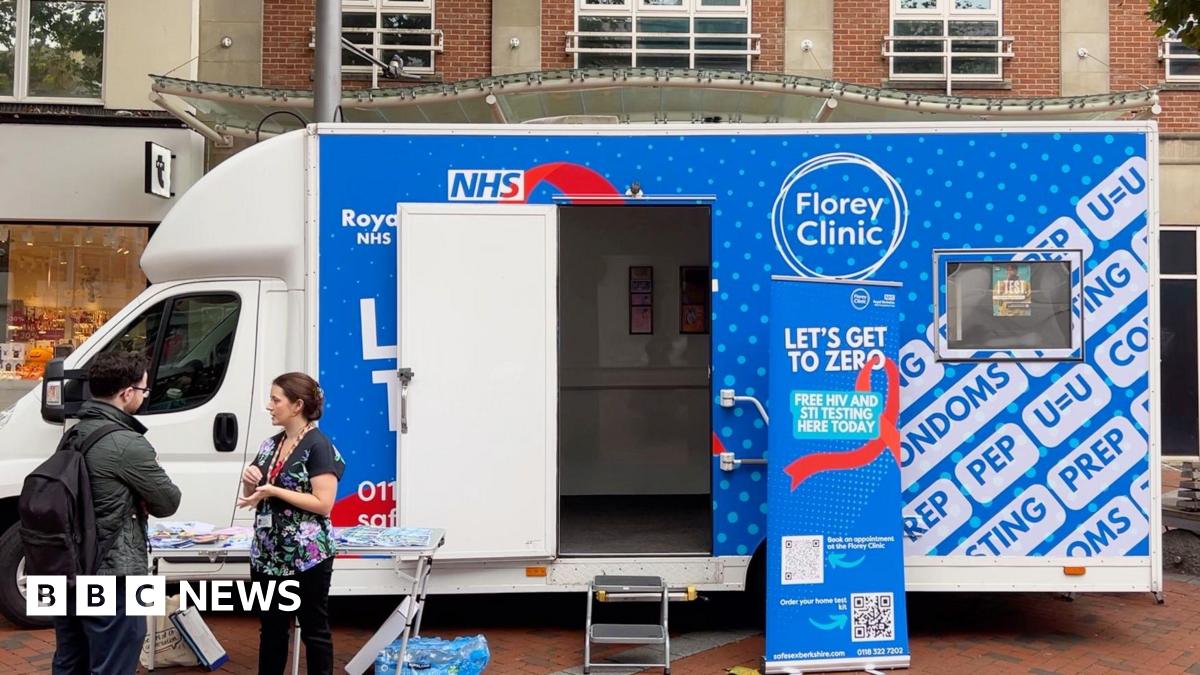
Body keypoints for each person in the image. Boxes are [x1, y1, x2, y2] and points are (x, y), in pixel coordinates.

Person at [53, 351, 182, 675]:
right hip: (115, 575)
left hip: (70, 568)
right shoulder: (126, 443)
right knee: (114, 663)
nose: (144, 396)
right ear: (127, 393)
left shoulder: (73, 434)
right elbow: (168, 501)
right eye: (144, 390)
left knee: (70, 662)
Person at [239, 372, 345, 675]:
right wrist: (250, 482)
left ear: (297, 405)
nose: (269, 406)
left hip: (307, 557)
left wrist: (274, 491)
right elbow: (255, 495)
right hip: (267, 555)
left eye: (276, 400)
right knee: (271, 629)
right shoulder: (269, 445)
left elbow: (323, 503)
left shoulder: (318, 445)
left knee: (314, 630)